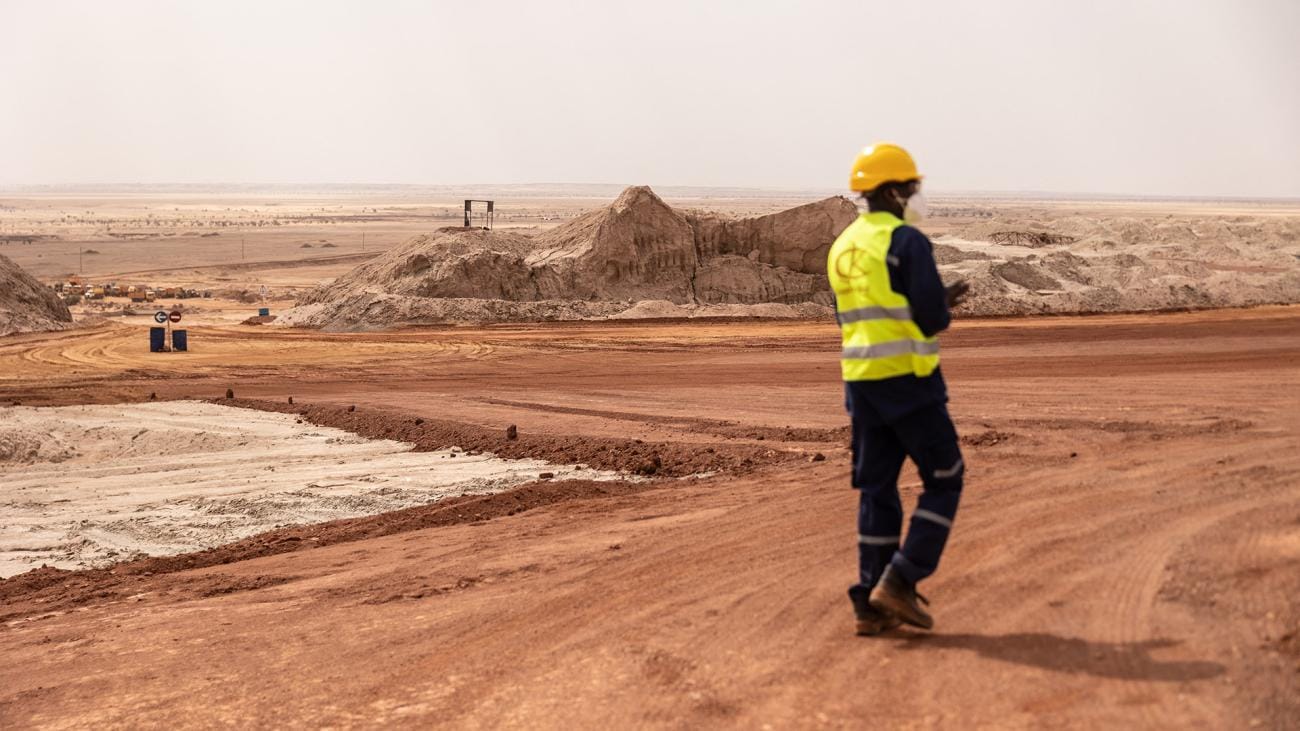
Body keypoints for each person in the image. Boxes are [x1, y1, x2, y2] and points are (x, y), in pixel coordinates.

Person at [826, 143, 970, 635]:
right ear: (891, 191)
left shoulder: (842, 246)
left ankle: (870, 603)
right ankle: (902, 579)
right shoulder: (905, 241)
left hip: (861, 384)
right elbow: (928, 319)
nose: (915, 195)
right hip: (908, 382)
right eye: (910, 187)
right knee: (945, 478)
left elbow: (860, 315)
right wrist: (942, 304)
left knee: (877, 488)